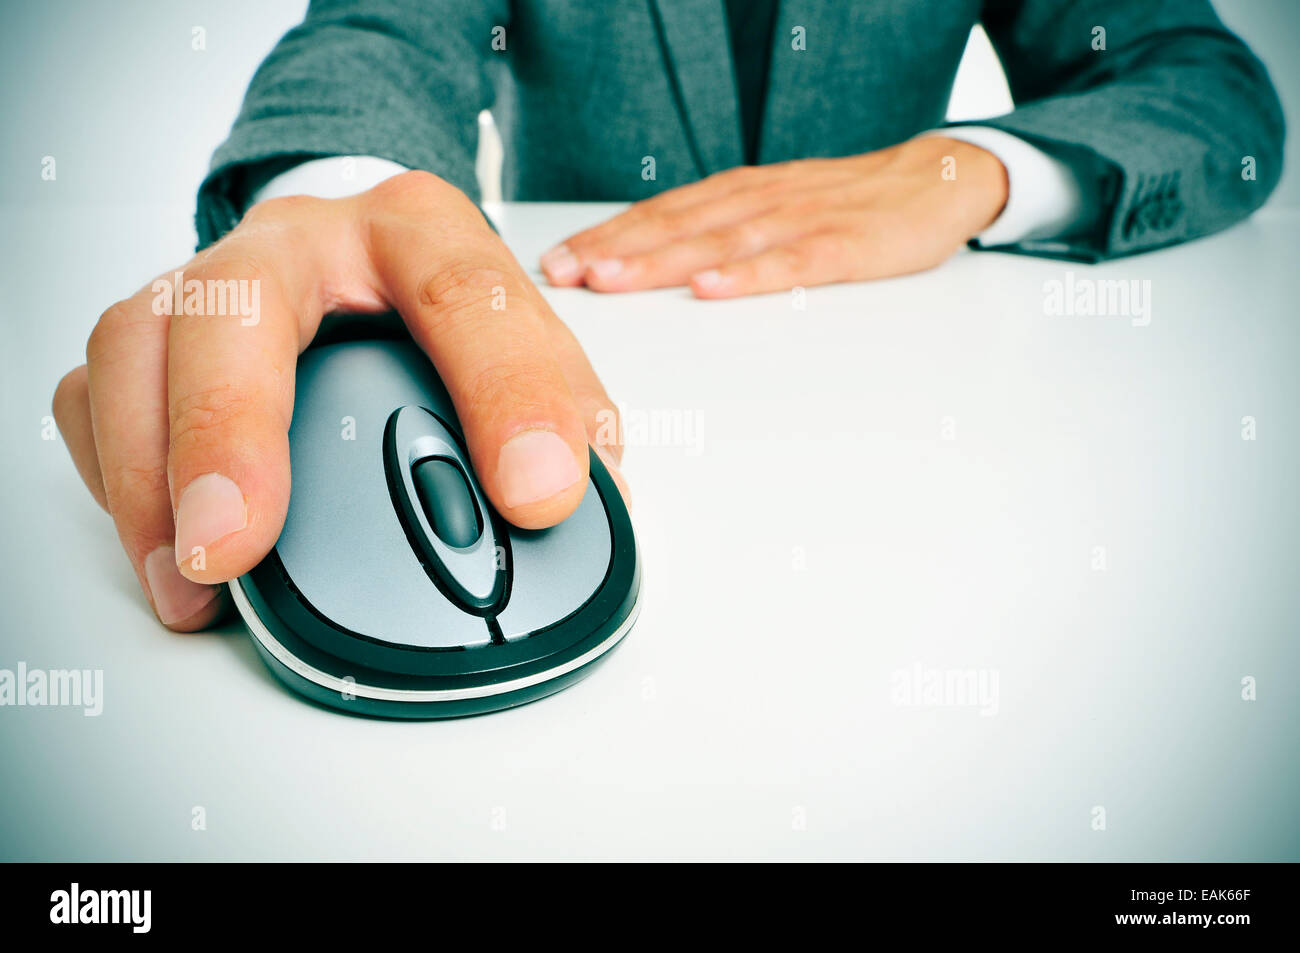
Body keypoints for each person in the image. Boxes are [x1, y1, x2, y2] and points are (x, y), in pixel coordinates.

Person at [53, 0, 1284, 631]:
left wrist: (973, 171)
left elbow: (1202, 81)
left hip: (928, 428)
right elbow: (375, 34)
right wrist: (338, 204)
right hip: (591, 337)